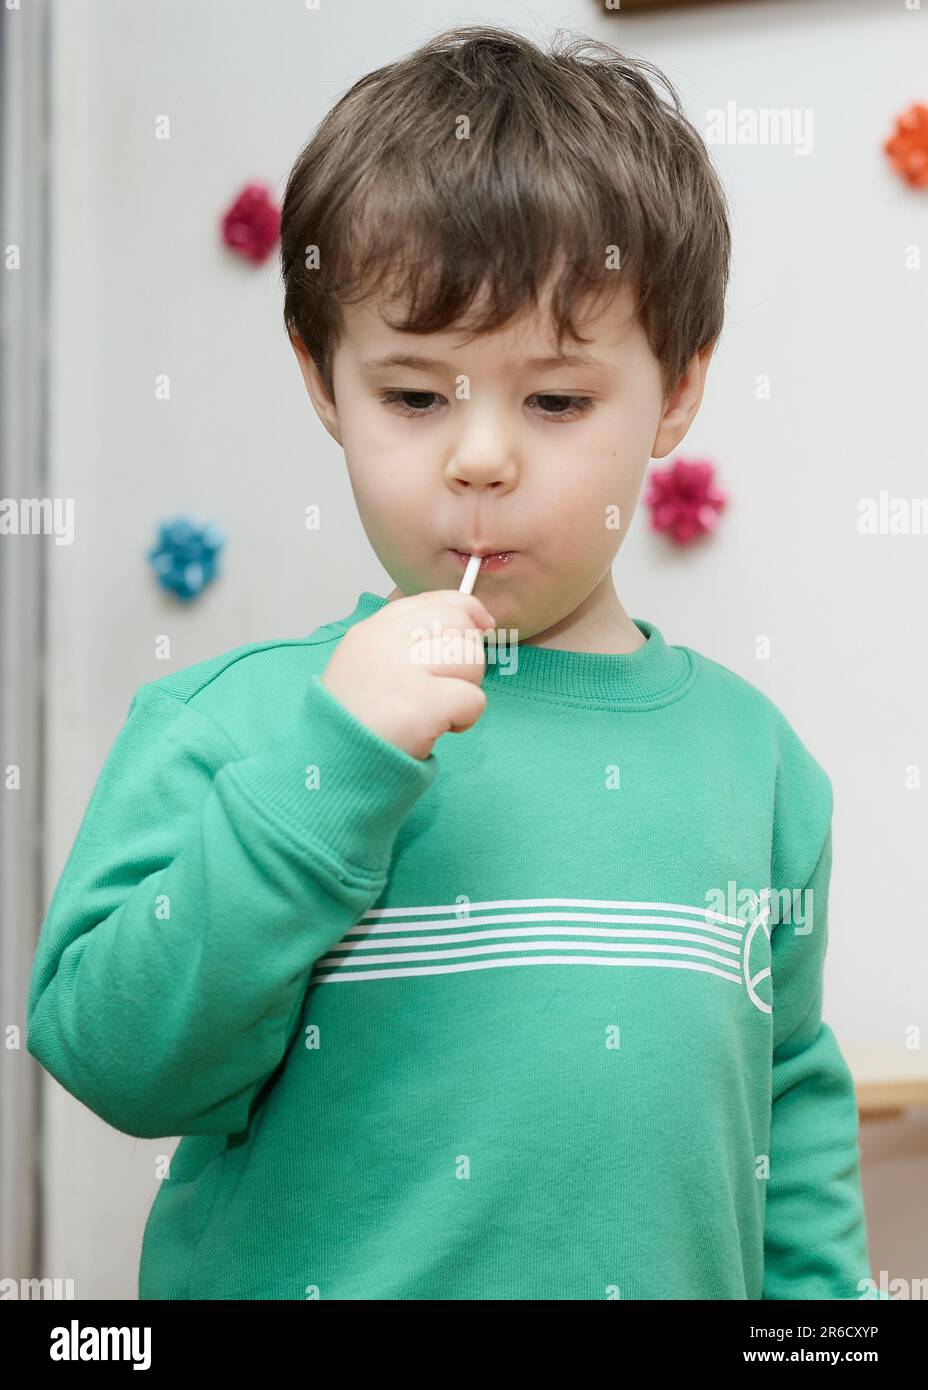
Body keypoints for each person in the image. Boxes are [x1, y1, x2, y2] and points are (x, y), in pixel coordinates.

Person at [26, 25, 877, 1300]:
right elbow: (114, 1060)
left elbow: (789, 1096)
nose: (480, 458)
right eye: (416, 397)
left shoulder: (759, 767)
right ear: (323, 382)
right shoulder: (237, 724)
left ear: (679, 392)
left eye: (556, 400)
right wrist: (327, 770)